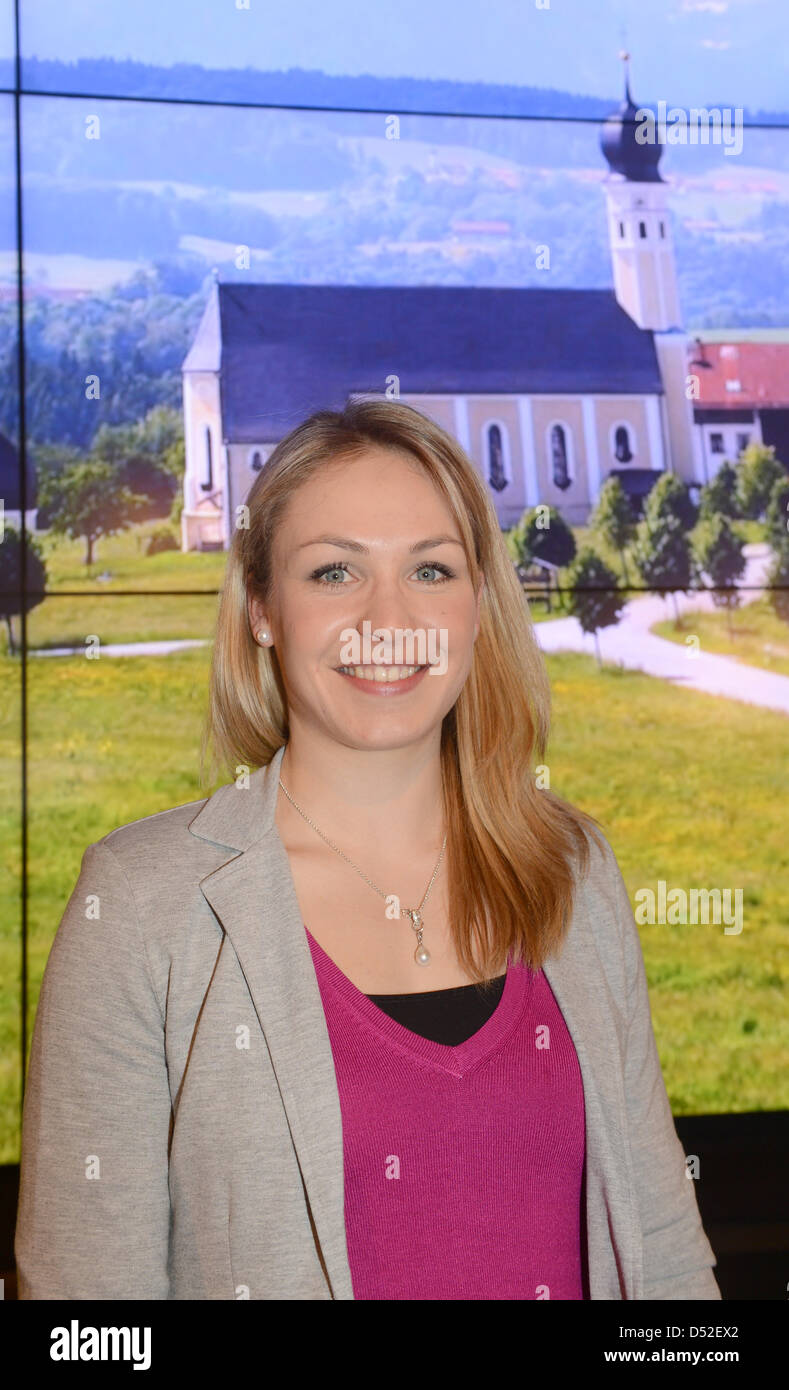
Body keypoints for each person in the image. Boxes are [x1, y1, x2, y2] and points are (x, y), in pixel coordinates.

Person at [15, 398, 720, 1300]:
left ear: (479, 605)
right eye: (335, 572)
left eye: (430, 569)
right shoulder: (142, 909)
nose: (388, 619)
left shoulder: (573, 871)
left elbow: (660, 1251)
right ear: (263, 607)